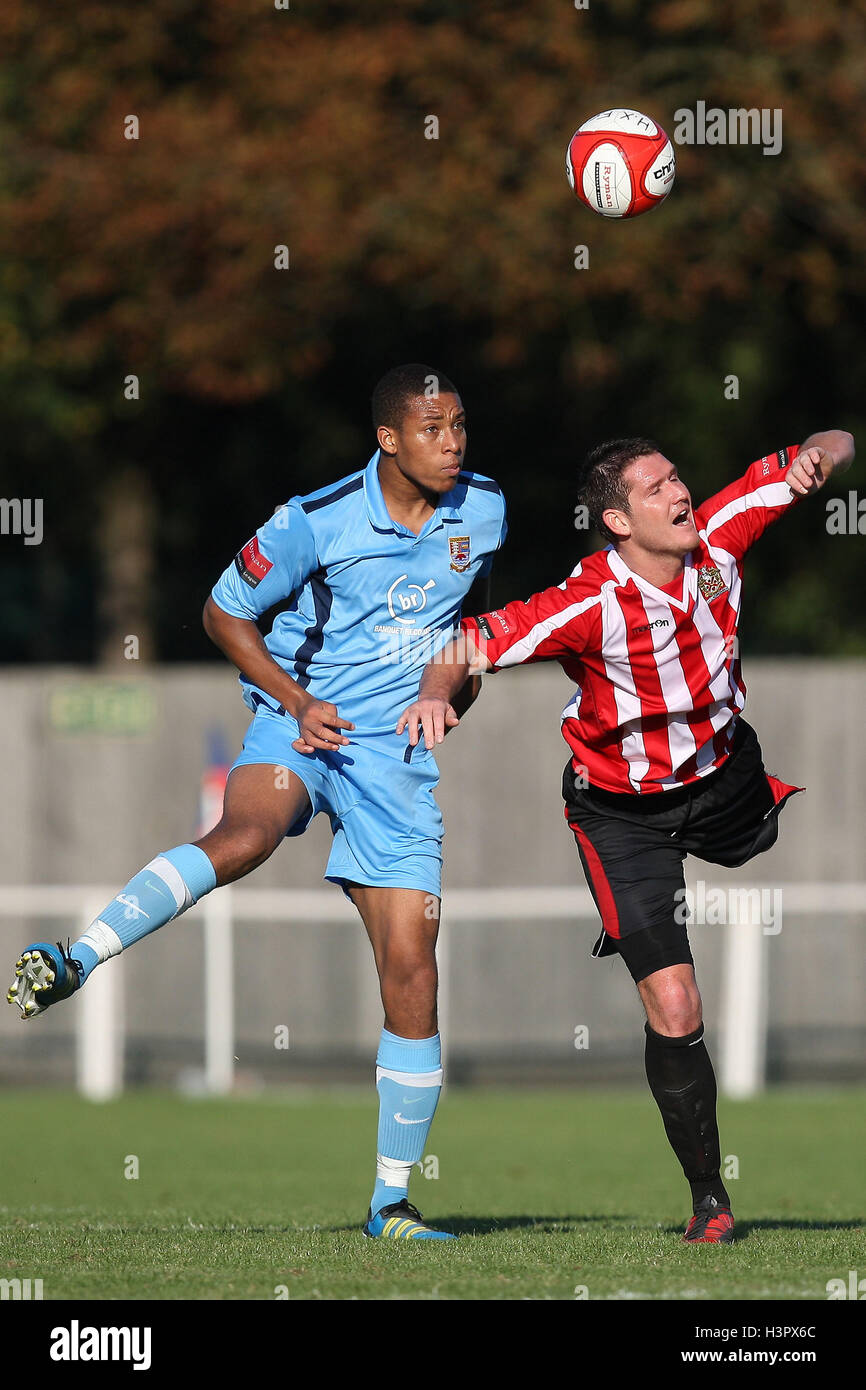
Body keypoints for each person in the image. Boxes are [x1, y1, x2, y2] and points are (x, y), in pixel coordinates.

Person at [8, 363, 507, 1241]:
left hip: (393, 759)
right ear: (388, 439)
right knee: (246, 837)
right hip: (300, 728)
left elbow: (470, 627)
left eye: (460, 424)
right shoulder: (313, 520)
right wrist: (298, 699)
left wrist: (450, 693)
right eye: (433, 428)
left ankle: (391, 1204)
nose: (453, 442)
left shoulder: (486, 507)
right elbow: (218, 613)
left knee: (414, 969)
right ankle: (79, 958)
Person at [398, 429, 854, 1243]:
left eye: (677, 476)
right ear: (616, 521)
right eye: (656, 489)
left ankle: (743, 820)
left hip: (724, 785)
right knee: (675, 1004)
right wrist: (438, 697)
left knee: (751, 833)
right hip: (622, 818)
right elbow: (463, 643)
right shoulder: (587, 601)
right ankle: (711, 1200)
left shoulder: (720, 535)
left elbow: (831, 441)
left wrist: (822, 455)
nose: (680, 493)